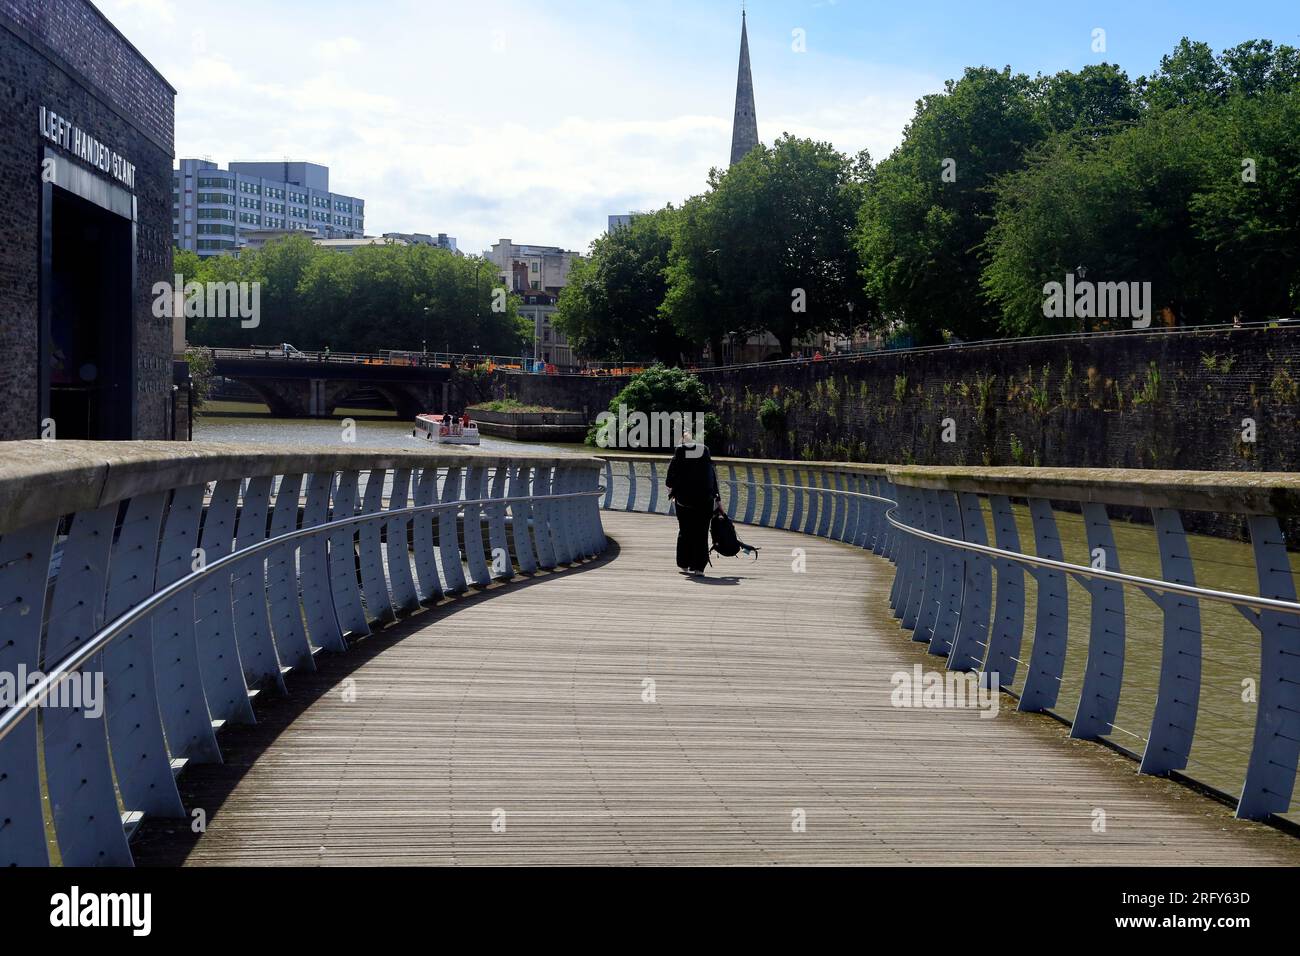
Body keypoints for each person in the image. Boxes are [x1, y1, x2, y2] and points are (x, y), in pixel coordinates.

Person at [665, 429, 721, 575]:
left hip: (684, 502)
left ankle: (684, 563)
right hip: (705, 501)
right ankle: (699, 568)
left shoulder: (678, 455)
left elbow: (669, 481)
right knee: (701, 533)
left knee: (685, 531)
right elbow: (713, 479)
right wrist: (718, 500)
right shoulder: (705, 453)